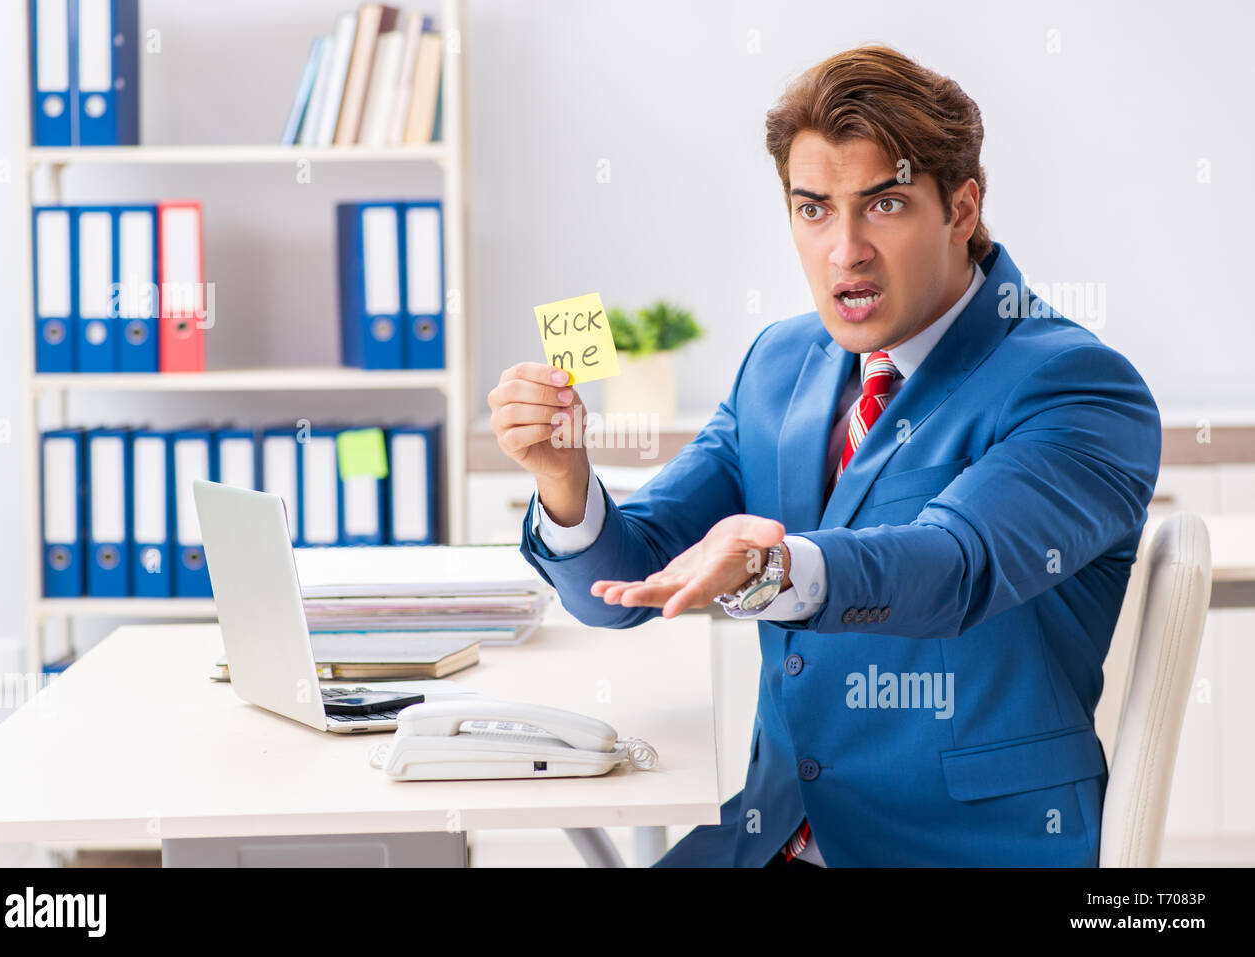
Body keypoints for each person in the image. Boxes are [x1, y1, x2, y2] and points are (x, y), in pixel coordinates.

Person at [487, 45, 1160, 867]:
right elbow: (622, 588)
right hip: (767, 838)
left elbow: (956, 562)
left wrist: (776, 568)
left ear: (961, 210)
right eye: (814, 210)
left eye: (884, 206)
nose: (845, 250)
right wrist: (564, 481)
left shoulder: (1077, 386)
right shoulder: (780, 365)